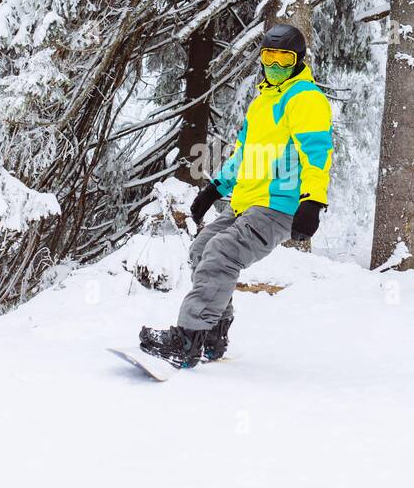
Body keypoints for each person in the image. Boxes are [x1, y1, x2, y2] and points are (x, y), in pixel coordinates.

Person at [140, 23, 333, 367]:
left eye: (283, 59)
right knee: (201, 250)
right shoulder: (261, 104)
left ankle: (187, 339)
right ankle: (213, 334)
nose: (274, 66)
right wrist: (215, 188)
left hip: (279, 206)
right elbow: (243, 155)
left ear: (298, 61)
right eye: (268, 57)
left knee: (222, 252)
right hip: (246, 203)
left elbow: (316, 153)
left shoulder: (306, 99)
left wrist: (313, 201)